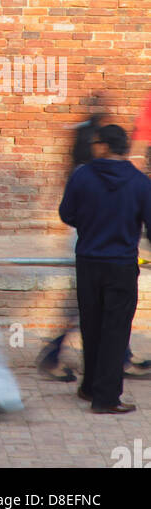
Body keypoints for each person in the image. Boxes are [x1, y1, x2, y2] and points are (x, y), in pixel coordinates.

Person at [59, 123, 151, 414]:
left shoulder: (82, 175)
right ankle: (106, 397)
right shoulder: (140, 183)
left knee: (92, 325)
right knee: (115, 330)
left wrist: (90, 226)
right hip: (122, 264)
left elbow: (67, 214)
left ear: (105, 146)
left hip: (88, 261)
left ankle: (90, 387)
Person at [37, 95, 108, 382]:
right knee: (84, 301)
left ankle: (118, 357)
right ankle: (53, 355)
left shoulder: (81, 174)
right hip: (88, 244)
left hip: (86, 242)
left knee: (93, 300)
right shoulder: (88, 176)